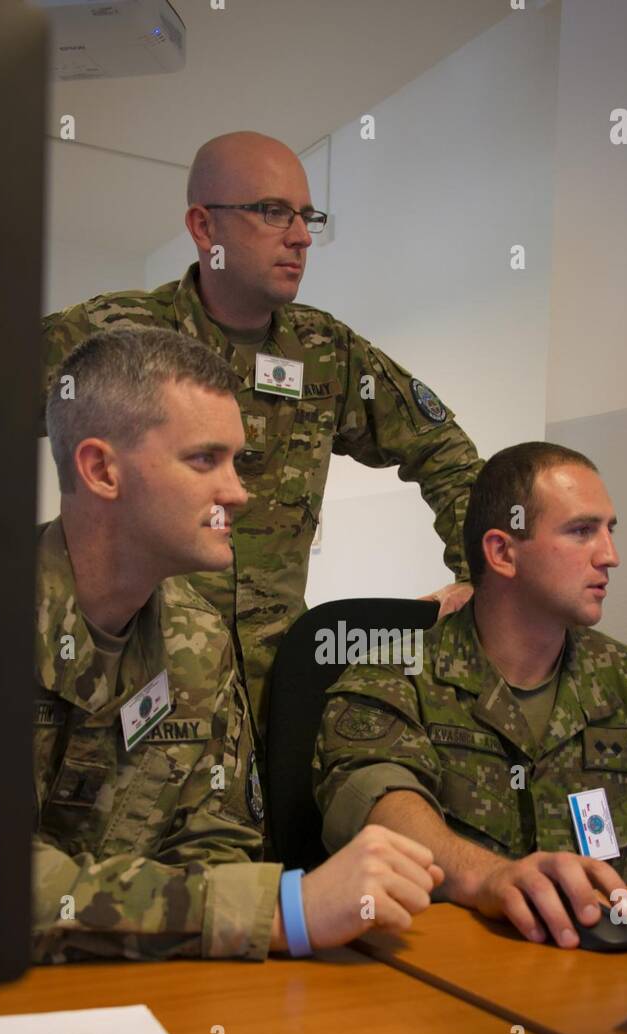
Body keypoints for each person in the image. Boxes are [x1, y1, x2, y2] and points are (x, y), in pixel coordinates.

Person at [41, 130, 480, 738]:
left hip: (279, 687)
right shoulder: (114, 333)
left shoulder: (327, 352)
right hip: (137, 683)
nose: (300, 236)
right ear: (204, 227)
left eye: (307, 216)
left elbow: (445, 452)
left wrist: (478, 578)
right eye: (273, 212)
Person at [33, 328, 442, 963]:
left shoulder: (195, 639)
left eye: (237, 461)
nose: (238, 493)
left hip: (137, 997)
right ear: (101, 469)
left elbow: (215, 840)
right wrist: (275, 911)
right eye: (204, 460)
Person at [313, 443, 627, 948]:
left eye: (609, 530)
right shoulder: (392, 678)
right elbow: (383, 810)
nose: (610, 555)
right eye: (583, 531)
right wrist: (489, 878)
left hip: (592, 979)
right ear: (502, 553)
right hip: (439, 975)